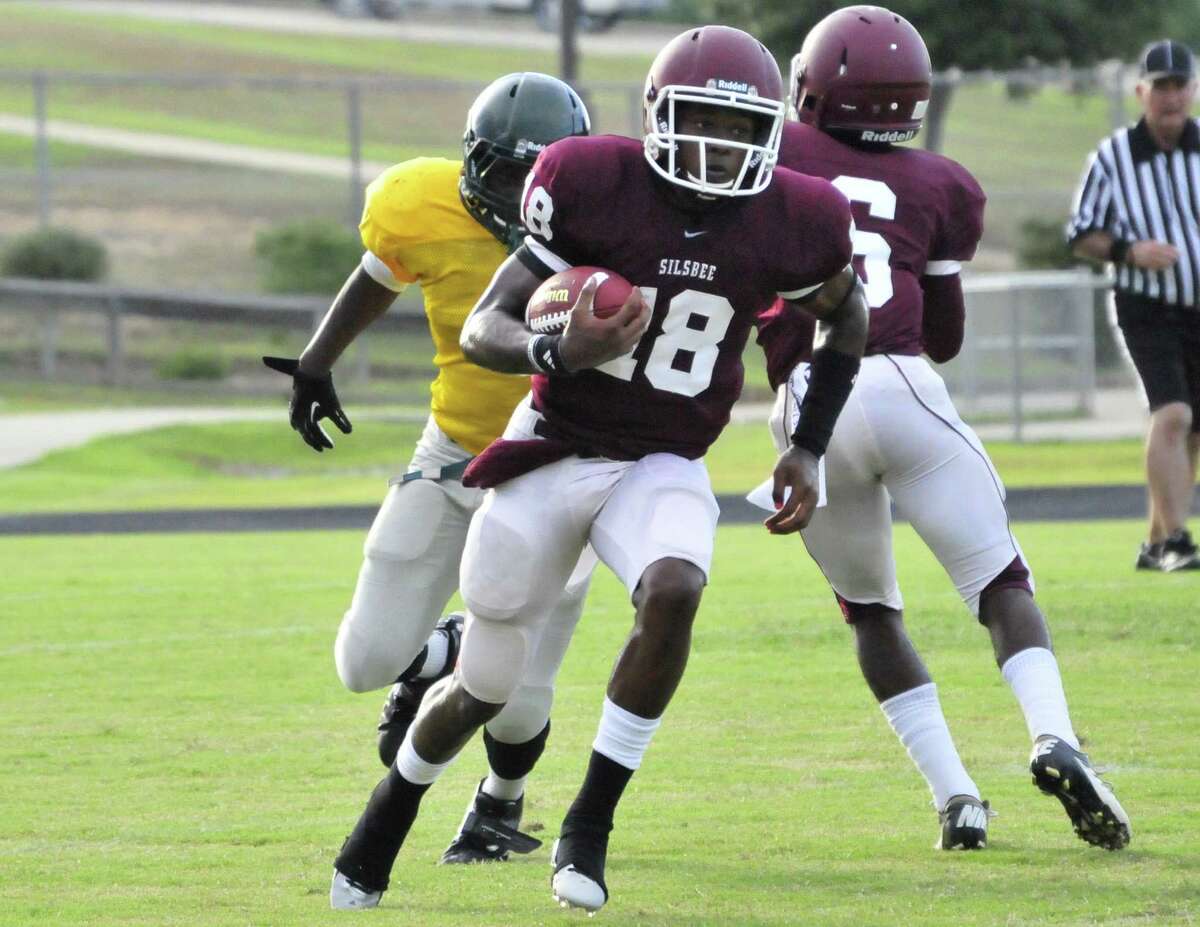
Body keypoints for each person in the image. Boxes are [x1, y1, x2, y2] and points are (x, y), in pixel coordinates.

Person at [327, 24, 868, 913]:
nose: (722, 146)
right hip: (554, 444)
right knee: (488, 681)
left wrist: (807, 442)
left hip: (662, 459)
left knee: (676, 588)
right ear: (658, 116)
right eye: (702, 121)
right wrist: (560, 346)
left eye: (741, 129)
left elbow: (846, 317)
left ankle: (588, 826)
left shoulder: (796, 217)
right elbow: (483, 328)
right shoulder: (590, 182)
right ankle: (386, 817)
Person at [755, 5, 1130, 852]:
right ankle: (1052, 735)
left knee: (871, 609)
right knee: (1000, 582)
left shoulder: (776, 155)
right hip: (899, 378)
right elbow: (946, 337)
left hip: (806, 405)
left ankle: (956, 796)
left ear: (809, 88)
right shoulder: (942, 183)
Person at [263, 72, 593, 864]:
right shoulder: (420, 203)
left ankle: (496, 810)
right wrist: (317, 361)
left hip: (558, 466)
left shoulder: (604, 221)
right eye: (506, 172)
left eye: (536, 173)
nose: (519, 195)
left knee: (517, 697)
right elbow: (379, 275)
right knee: (365, 660)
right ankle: (446, 647)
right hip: (452, 451)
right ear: (474, 161)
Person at [1068, 38, 1200, 573]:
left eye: (1179, 85)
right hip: (1145, 305)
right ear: (1142, 92)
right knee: (1172, 414)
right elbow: (1082, 236)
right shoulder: (1113, 157)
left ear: (1193, 90)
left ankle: (1154, 542)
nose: (1171, 97)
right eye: (1160, 87)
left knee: (1193, 430)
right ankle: (1175, 542)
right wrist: (1129, 251)